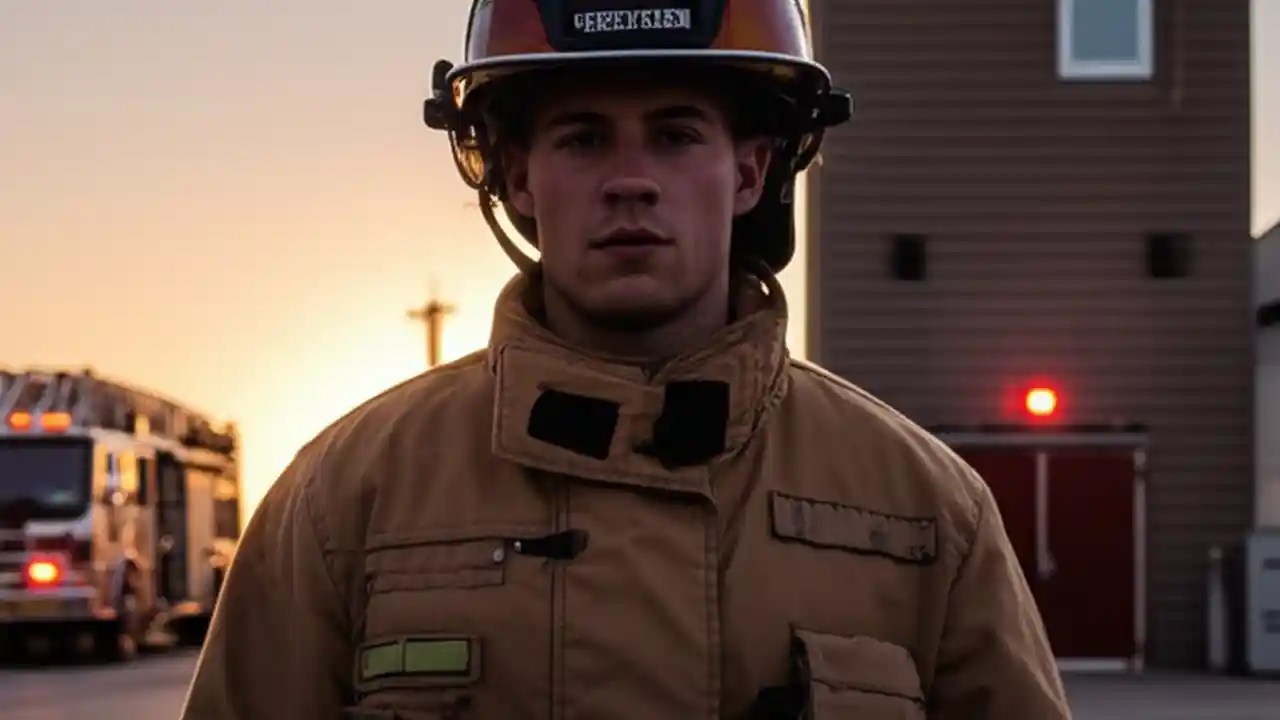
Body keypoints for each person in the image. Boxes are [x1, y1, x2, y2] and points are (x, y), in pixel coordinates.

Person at [180, 1, 1072, 718]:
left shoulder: (924, 509)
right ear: (518, 177)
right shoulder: (345, 498)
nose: (630, 178)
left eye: (678, 134)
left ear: (752, 172)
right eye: (583, 137)